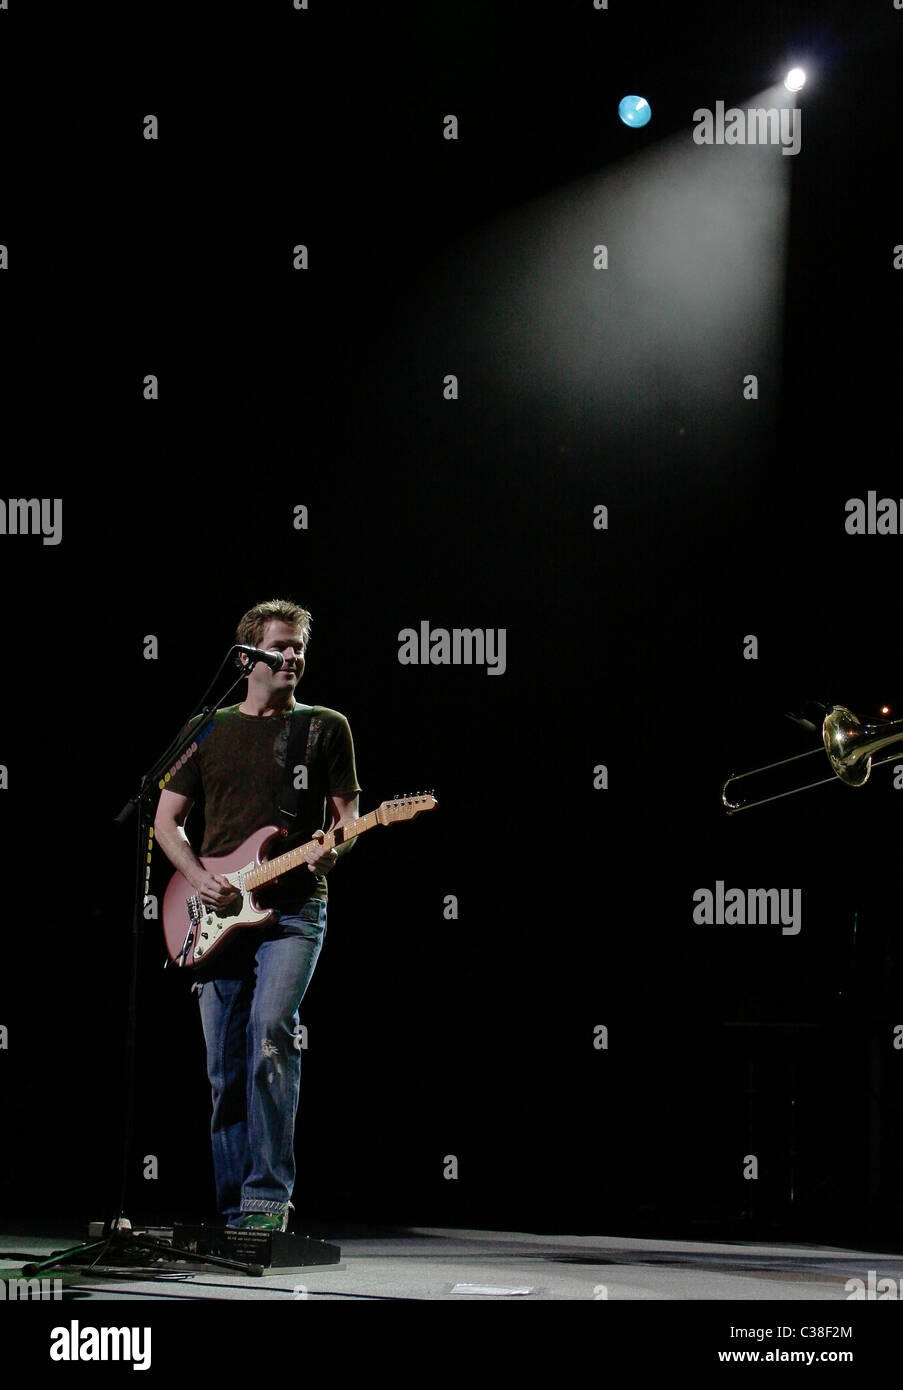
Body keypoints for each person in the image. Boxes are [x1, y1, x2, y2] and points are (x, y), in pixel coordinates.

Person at [154, 598, 361, 1232]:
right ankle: (231, 1210)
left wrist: (336, 850)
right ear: (249, 656)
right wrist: (199, 879)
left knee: (273, 1031)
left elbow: (348, 818)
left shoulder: (325, 727)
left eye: (301, 645)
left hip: (294, 909)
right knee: (224, 1065)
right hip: (213, 915)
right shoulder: (207, 729)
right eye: (283, 646)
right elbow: (166, 820)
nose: (295, 656)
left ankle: (267, 1202)